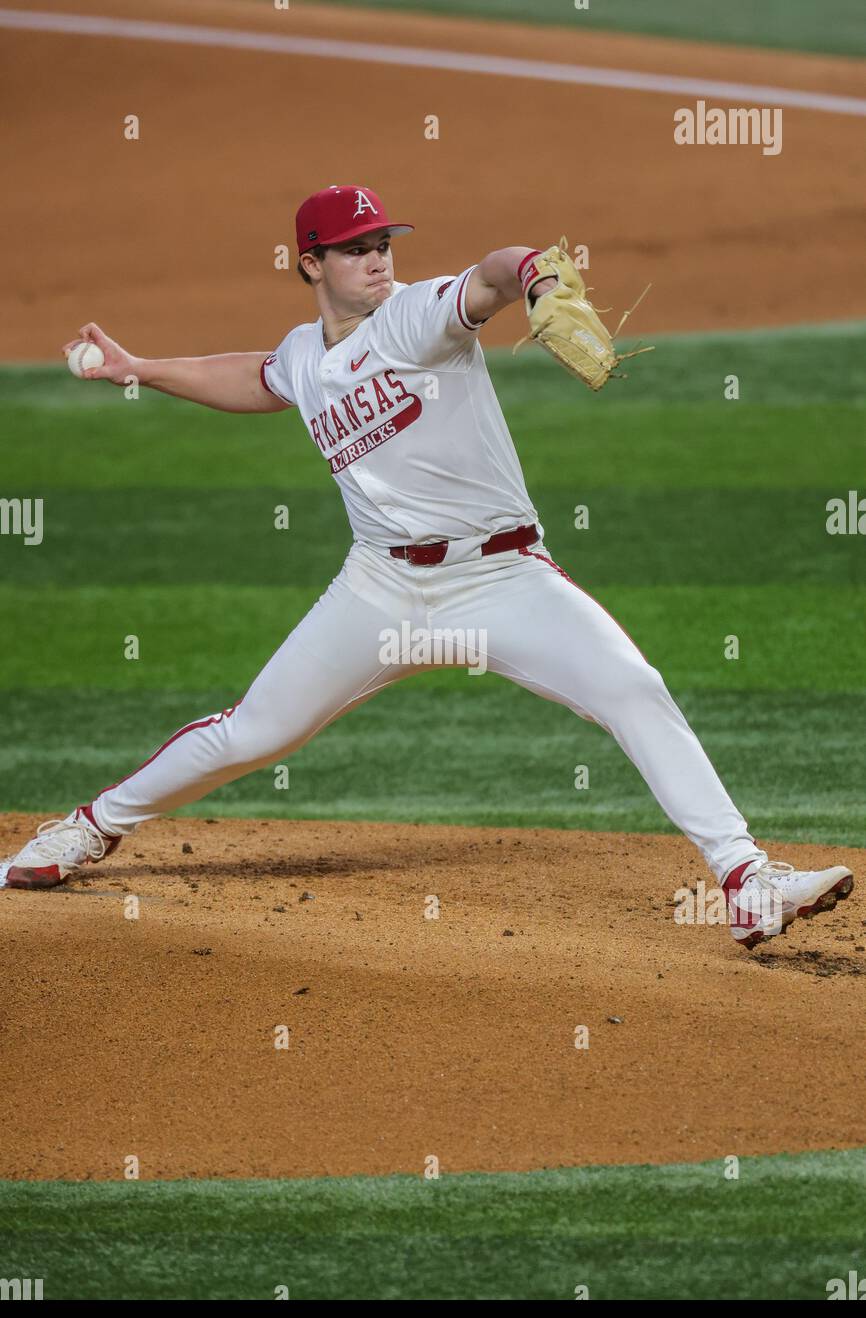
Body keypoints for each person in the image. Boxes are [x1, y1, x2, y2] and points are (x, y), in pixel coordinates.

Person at [2, 184, 853, 948]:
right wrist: (139, 368)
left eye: (383, 245)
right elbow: (254, 378)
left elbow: (490, 275)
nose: (376, 260)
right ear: (311, 265)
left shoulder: (415, 317)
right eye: (356, 250)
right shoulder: (306, 355)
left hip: (503, 580)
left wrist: (540, 280)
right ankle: (88, 827)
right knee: (256, 732)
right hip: (381, 588)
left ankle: (746, 882)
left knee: (633, 687)